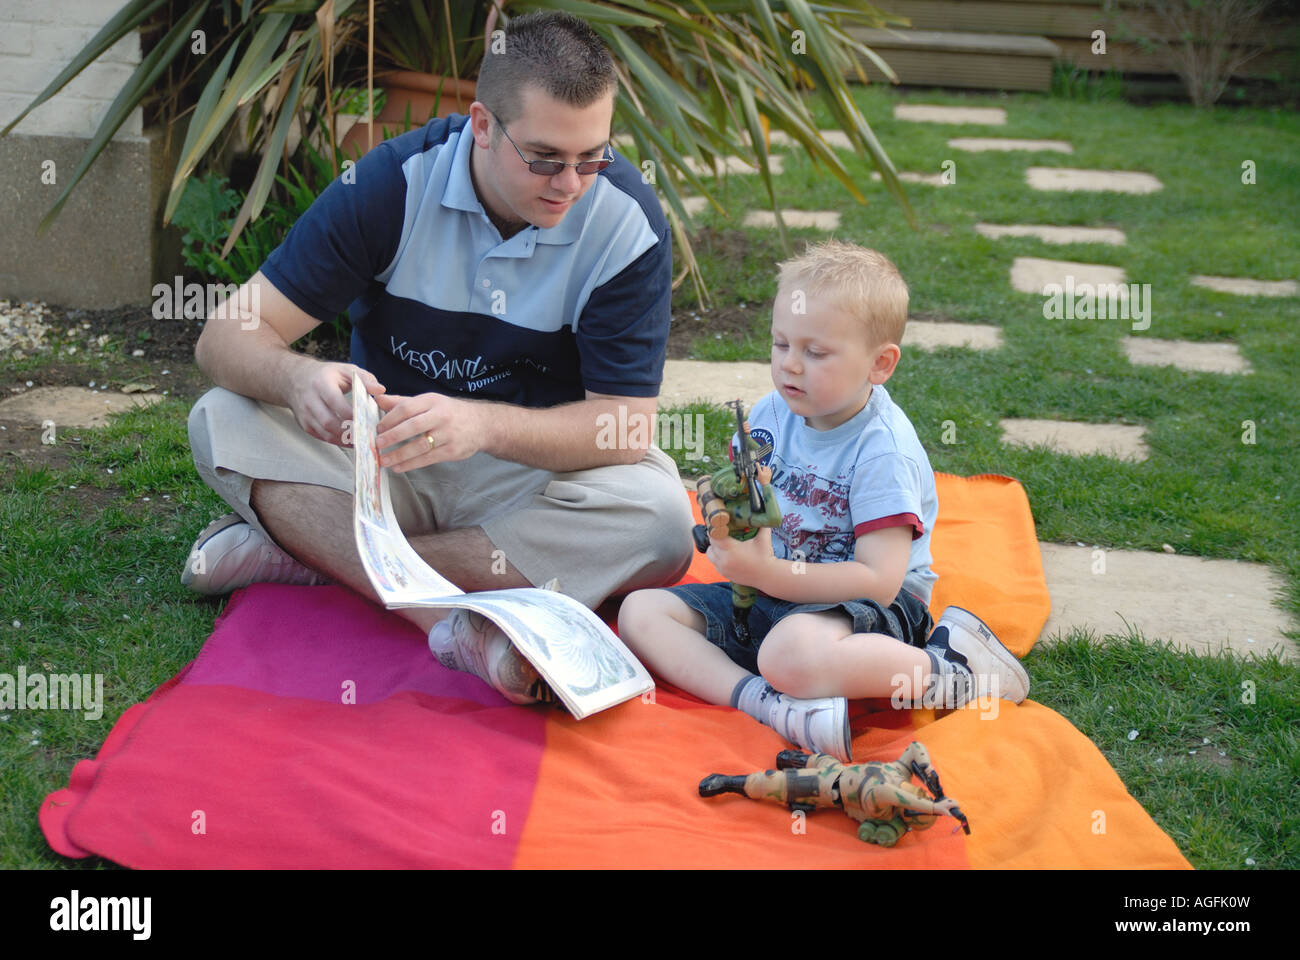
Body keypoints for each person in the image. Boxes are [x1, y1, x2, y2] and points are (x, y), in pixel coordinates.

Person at [183, 11, 694, 703]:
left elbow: (625, 429)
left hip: (524, 480)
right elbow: (226, 336)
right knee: (222, 418)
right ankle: (454, 623)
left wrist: (481, 426)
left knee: (661, 521)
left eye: (593, 156)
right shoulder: (391, 185)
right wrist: (297, 375)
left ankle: (318, 554)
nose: (571, 184)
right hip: (385, 462)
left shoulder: (625, 222)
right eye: (544, 158)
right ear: (482, 125)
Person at [618, 240, 1029, 760]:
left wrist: (766, 573)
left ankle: (952, 670)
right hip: (776, 593)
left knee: (789, 654)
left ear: (880, 364)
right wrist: (726, 516)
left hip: (868, 607)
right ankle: (769, 704)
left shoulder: (882, 452)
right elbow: (746, 499)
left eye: (815, 353)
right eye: (780, 344)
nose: (790, 366)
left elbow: (879, 582)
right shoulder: (770, 415)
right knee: (641, 612)